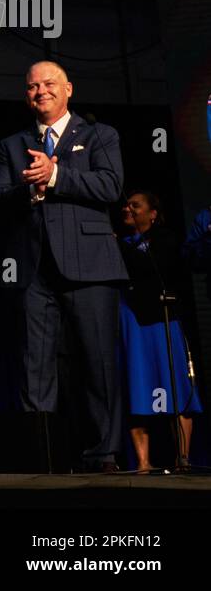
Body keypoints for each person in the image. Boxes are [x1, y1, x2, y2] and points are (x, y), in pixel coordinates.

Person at [0, 60, 128, 472]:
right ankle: (41, 453)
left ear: (68, 89)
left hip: (91, 265)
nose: (40, 90)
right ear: (24, 95)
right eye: (31, 86)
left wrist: (57, 174)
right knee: (35, 366)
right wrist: (26, 189)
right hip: (33, 270)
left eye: (49, 83)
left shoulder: (100, 135)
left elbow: (110, 185)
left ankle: (102, 453)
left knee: (98, 361)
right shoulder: (11, 146)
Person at [118, 190, 201, 470]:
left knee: (175, 386)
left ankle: (183, 459)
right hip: (133, 321)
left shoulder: (166, 240)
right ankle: (143, 462)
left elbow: (164, 267)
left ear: (152, 214)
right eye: (126, 205)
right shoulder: (118, 244)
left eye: (135, 205)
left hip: (165, 320)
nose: (127, 209)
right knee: (138, 388)